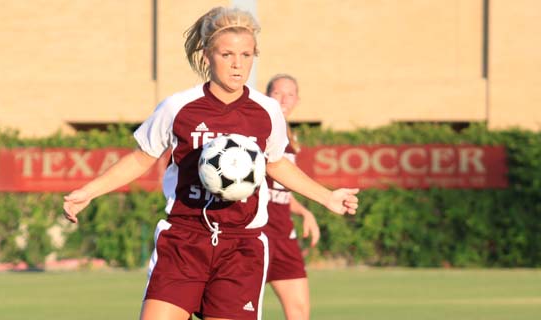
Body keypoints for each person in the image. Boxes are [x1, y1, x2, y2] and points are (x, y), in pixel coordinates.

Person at [63, 7, 359, 320]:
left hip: (241, 246)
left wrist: (326, 196)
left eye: (246, 55)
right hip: (184, 240)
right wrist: (89, 191)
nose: (237, 64)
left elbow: (277, 165)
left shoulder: (266, 111)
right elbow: (141, 157)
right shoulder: (179, 107)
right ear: (207, 56)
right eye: (227, 54)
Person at [264, 74, 320, 320]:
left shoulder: (290, 138)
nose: (284, 99)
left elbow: (280, 190)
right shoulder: (257, 128)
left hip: (284, 234)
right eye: (277, 93)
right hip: (256, 233)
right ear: (267, 95)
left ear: (297, 100)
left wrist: (303, 211)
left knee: (299, 312)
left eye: (290, 94)